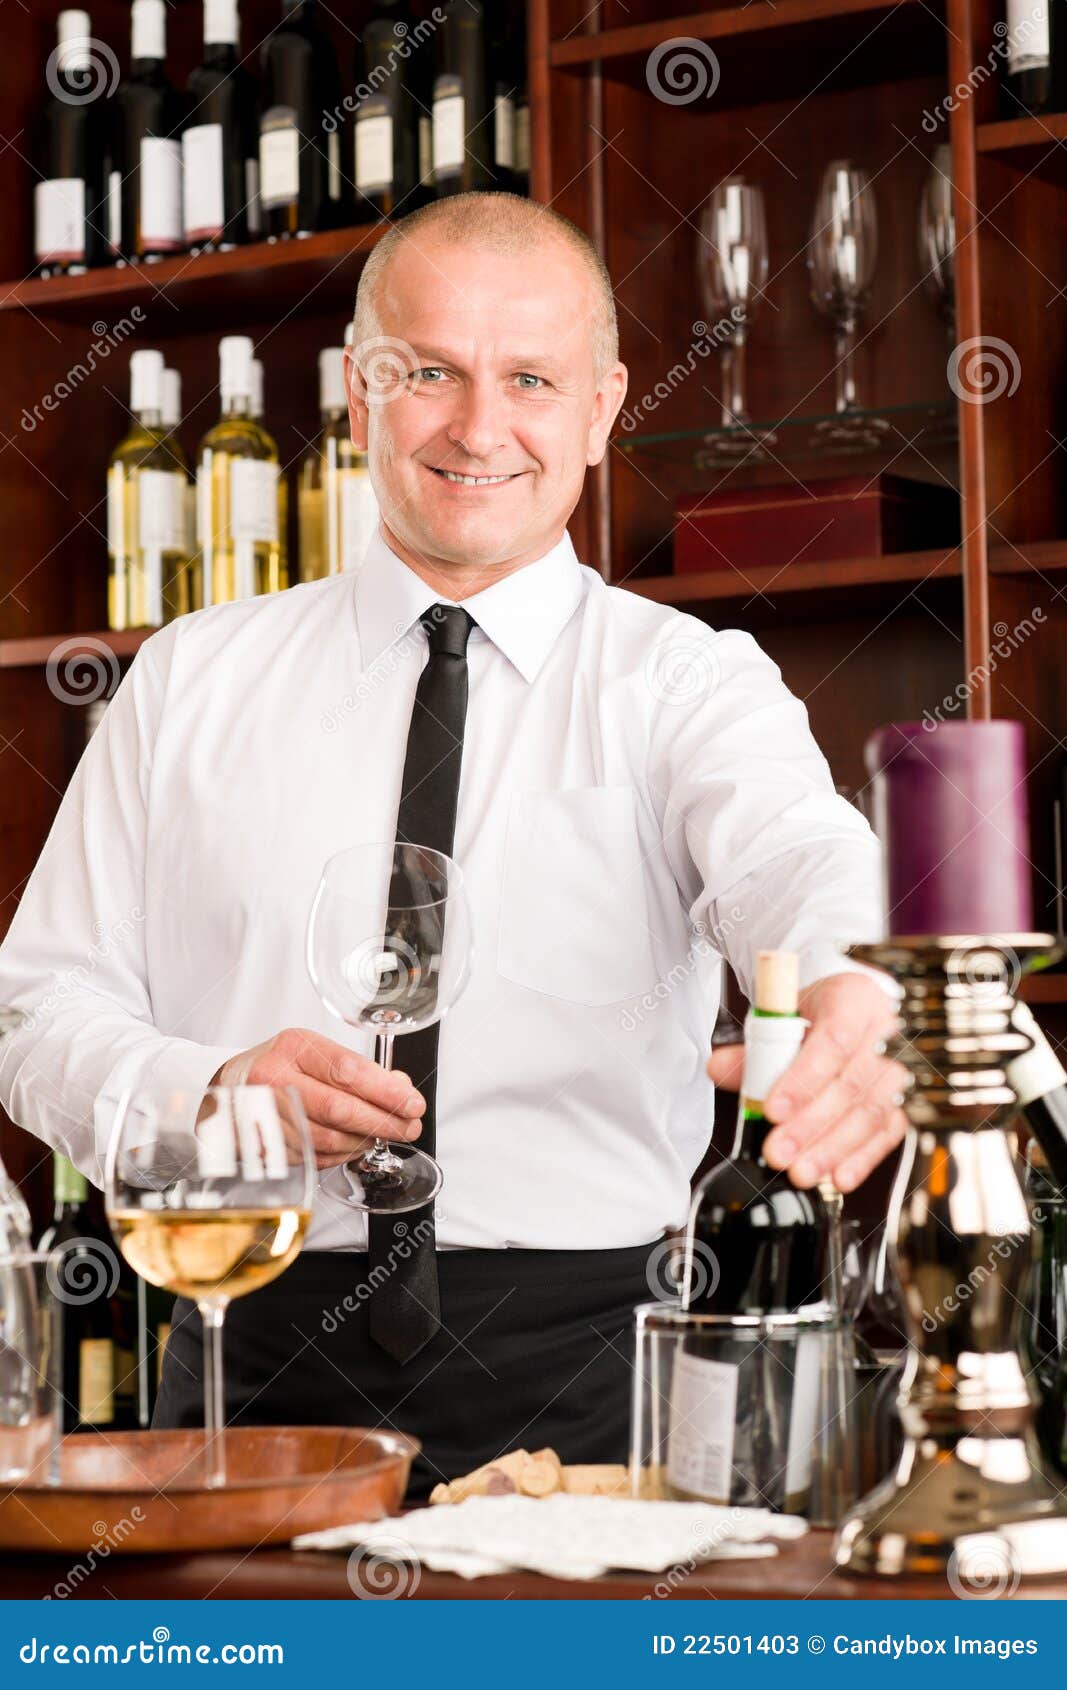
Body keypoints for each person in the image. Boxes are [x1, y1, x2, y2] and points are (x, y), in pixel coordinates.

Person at [0, 193, 903, 1497]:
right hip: (244, 1371)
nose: (480, 428)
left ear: (601, 407)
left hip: (603, 1397)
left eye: (530, 378)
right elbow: (34, 1012)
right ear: (360, 391)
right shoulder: (187, 679)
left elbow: (803, 858)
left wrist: (855, 979)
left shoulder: (688, 681)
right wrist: (208, 1097)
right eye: (430, 372)